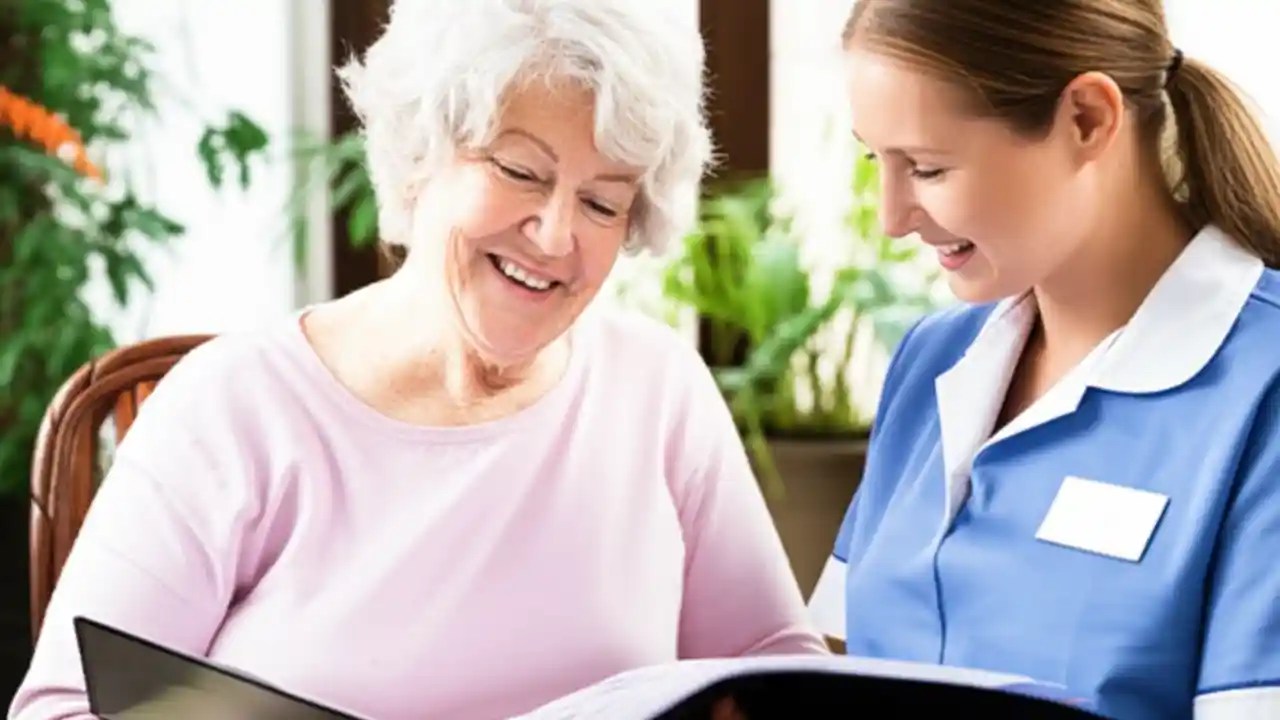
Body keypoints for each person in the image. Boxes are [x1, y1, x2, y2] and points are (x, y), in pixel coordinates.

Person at [8, 1, 828, 718]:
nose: (555, 237)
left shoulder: (657, 390)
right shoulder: (233, 408)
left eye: (602, 202)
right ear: (420, 153)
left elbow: (777, 678)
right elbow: (66, 708)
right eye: (518, 171)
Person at [805, 1, 1280, 719]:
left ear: (1088, 118)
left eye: (928, 168)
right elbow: (841, 663)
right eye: (878, 161)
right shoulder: (933, 359)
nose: (892, 216)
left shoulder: (1261, 390)